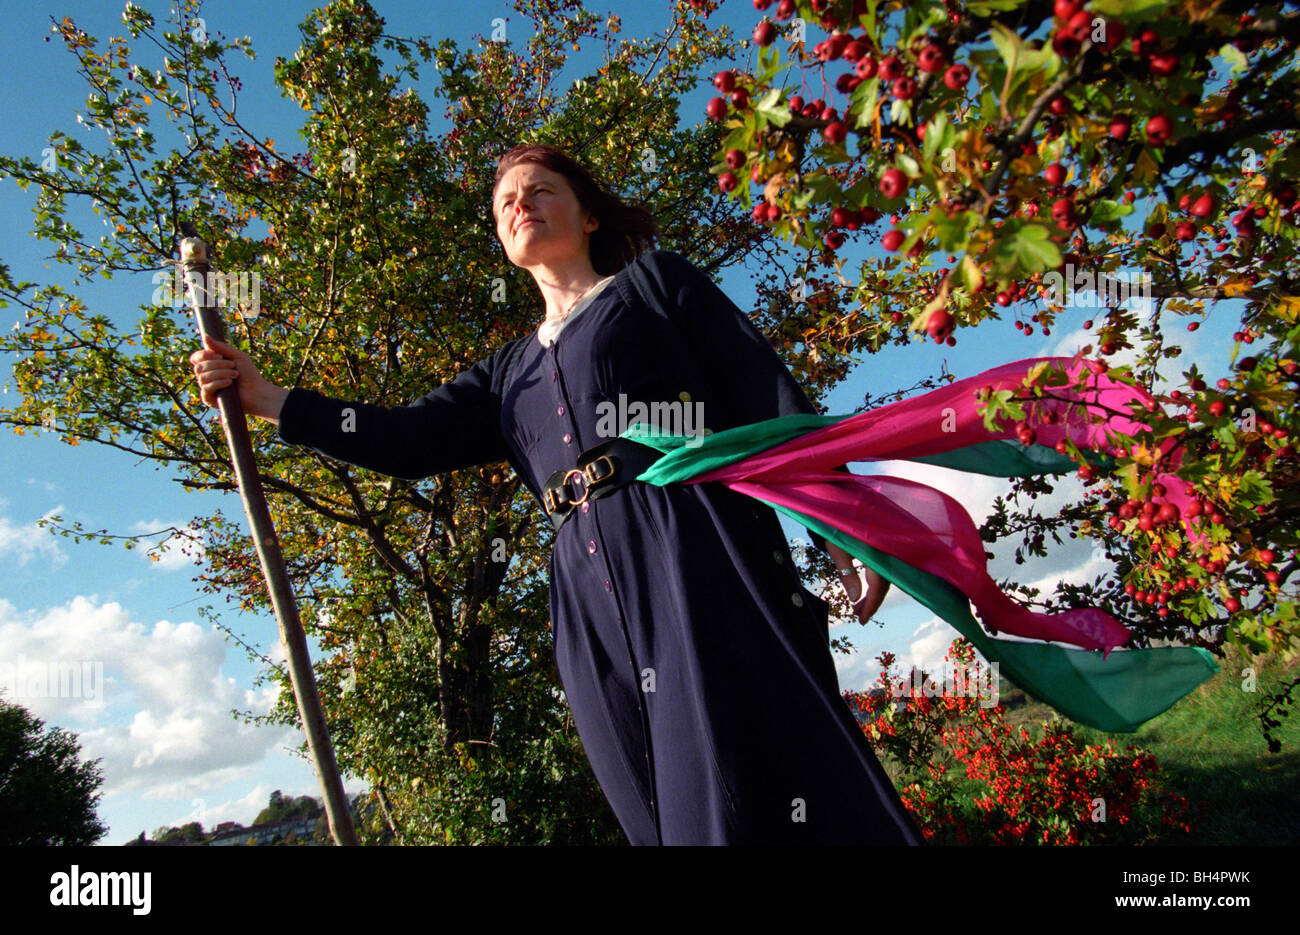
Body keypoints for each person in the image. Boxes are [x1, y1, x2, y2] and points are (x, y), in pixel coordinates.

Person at [189, 143, 922, 845]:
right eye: (506, 200)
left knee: (748, 767)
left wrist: (842, 525)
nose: (521, 204)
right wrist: (273, 398)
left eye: (541, 190)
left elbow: (766, 393)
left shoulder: (654, 287)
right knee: (650, 795)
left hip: (690, 545)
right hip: (583, 587)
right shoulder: (507, 374)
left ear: (589, 215)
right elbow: (406, 440)